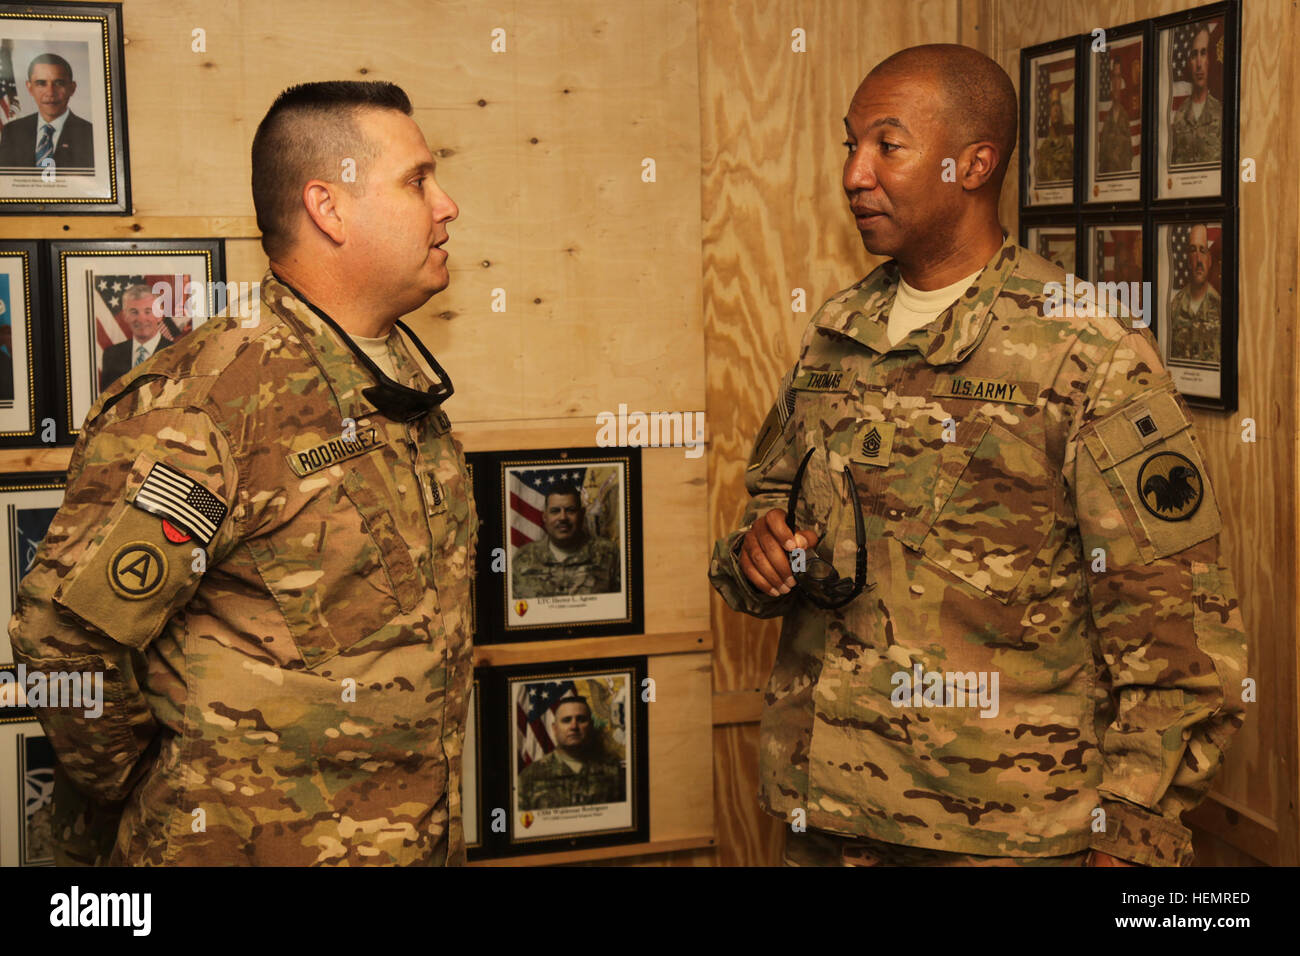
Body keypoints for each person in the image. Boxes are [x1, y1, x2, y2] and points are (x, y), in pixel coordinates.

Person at [709, 44, 1247, 868]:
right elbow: (766, 512)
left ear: (973, 163)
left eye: (886, 145)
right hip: (825, 819)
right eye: (849, 145)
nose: (855, 173)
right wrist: (756, 552)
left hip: (1001, 837)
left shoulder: (1088, 351)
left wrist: (1133, 842)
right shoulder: (837, 331)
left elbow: (1183, 641)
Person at [8, 80, 477, 866]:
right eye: (418, 180)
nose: (447, 205)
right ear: (330, 207)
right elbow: (68, 640)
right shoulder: (210, 400)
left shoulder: (398, 388)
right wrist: (157, 784)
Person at [512, 484, 621, 598]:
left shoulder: (610, 554)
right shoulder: (523, 558)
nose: (563, 517)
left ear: (582, 514)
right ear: (545, 517)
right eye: (555, 511)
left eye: (570, 510)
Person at [517, 697, 625, 810]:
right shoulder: (530, 776)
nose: (574, 726)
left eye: (581, 719)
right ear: (555, 729)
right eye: (566, 720)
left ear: (591, 725)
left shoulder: (613, 769)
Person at [0, 54, 94, 171]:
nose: (50, 92)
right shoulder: (12, 131)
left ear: (72, 88)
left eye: (59, 83)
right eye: (41, 83)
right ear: (29, 87)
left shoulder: (91, 135)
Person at [98, 285, 181, 391]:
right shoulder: (111, 355)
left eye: (148, 311)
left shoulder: (177, 354)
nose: (141, 319)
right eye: (134, 312)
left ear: (160, 314)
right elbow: (106, 402)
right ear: (125, 316)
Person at [1169, 25, 1222, 166]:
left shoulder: (1221, 114)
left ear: (1210, 59)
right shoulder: (1180, 116)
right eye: (1194, 54)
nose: (1199, 63)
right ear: (1189, 62)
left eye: (1203, 53)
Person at [1168, 224, 1221, 364]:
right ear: (1187, 260)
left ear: (1209, 260)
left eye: (1202, 250)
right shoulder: (1174, 307)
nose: (1198, 260)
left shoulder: (1221, 308)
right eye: (1193, 251)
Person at [1097, 54, 1134, 174]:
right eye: (1114, 77)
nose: (1116, 82)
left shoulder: (1127, 119)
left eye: (1119, 77)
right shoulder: (1106, 120)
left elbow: (1129, 158)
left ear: (1122, 81)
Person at [1033, 87, 1072, 184]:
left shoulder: (1068, 145)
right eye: (1053, 104)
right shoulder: (1044, 149)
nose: (1056, 109)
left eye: (1058, 104)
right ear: (1049, 111)